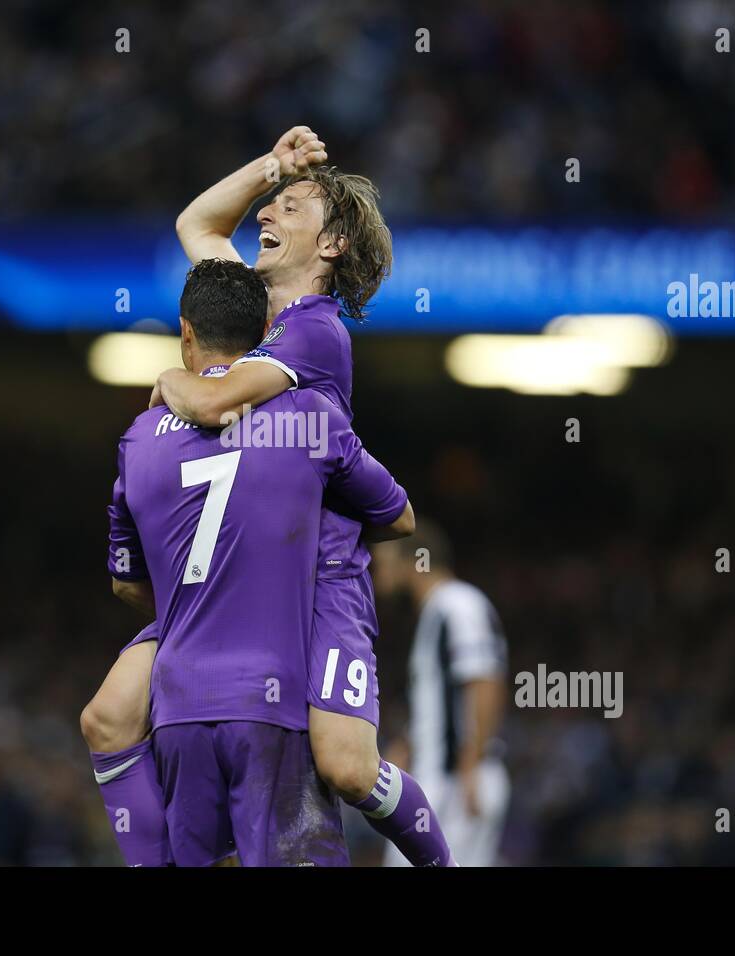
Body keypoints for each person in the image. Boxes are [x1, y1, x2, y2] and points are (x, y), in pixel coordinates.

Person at [83, 126, 454, 867]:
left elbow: (214, 402)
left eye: (292, 207)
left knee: (346, 765)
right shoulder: (252, 309)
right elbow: (197, 224)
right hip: (233, 575)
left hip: (318, 585)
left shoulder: (317, 334)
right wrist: (269, 167)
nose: (268, 215)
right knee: (110, 713)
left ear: (333, 244)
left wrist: (168, 385)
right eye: (271, 205)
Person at [106, 258, 414, 865]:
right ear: (264, 336)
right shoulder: (308, 416)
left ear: (186, 333)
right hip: (271, 705)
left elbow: (127, 584)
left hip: (177, 708)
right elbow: (398, 516)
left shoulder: (138, 438)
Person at [372, 524, 511, 866]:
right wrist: (407, 744)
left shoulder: (458, 604)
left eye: (383, 561)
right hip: (439, 779)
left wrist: (470, 766)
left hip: (456, 783)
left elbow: (485, 681)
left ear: (412, 560)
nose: (376, 571)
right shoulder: (434, 612)